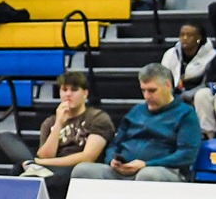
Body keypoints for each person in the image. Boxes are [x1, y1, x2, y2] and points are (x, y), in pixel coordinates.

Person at [72, 65, 201, 182]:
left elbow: (186, 155)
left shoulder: (186, 114)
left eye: (152, 91)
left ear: (168, 85)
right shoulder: (136, 111)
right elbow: (115, 143)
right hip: (124, 169)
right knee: (82, 170)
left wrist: (147, 164)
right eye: (143, 90)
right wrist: (112, 160)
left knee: (147, 175)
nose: (146, 96)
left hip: (164, 170)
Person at [1, 71, 111, 199]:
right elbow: (45, 154)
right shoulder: (50, 122)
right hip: (47, 166)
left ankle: (31, 166)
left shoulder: (97, 117)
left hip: (76, 168)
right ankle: (31, 168)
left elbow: (88, 157)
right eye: (64, 90)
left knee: (35, 176)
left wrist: (39, 163)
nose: (68, 94)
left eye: (74, 90)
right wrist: (59, 123)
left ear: (85, 93)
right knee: (6, 137)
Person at [160, 24, 215, 93]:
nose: (185, 38)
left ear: (199, 38)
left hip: (196, 93)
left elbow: (208, 83)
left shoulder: (212, 56)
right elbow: (162, 77)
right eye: (182, 35)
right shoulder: (170, 53)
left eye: (189, 35)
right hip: (172, 92)